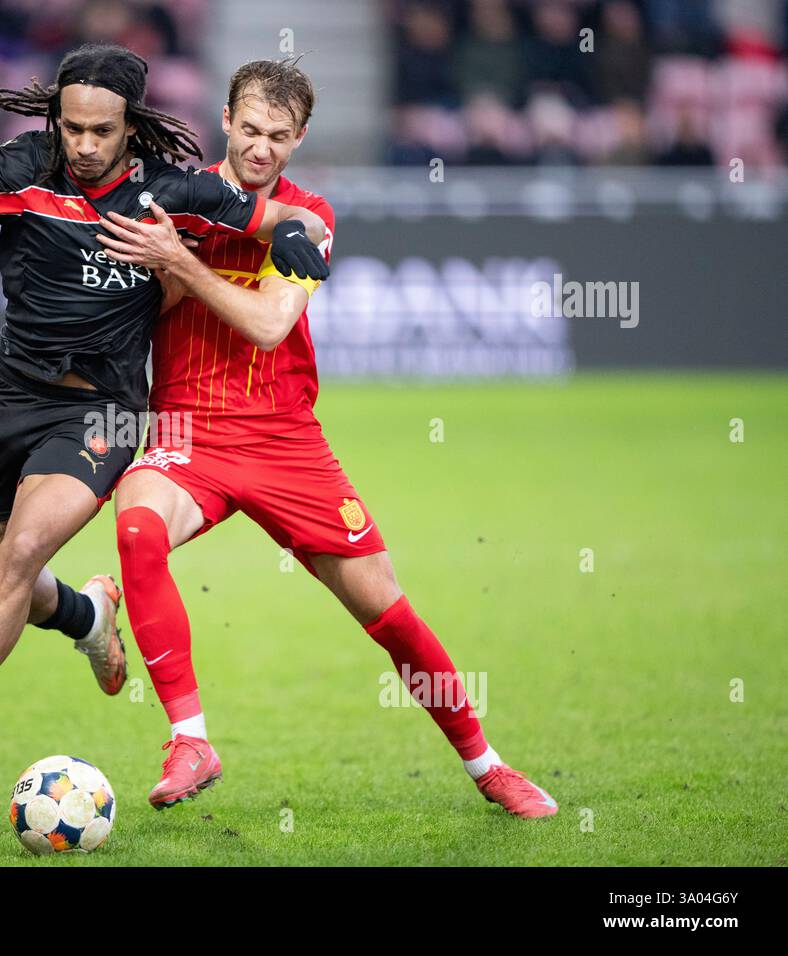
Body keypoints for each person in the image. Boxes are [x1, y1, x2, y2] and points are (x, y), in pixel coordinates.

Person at [0, 43, 331, 795]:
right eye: (72, 128)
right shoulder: (22, 166)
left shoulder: (170, 189)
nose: (83, 145)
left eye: (101, 131)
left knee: (17, 558)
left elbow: (279, 217)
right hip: (12, 398)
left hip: (101, 412)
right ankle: (86, 616)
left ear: (129, 125)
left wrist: (297, 235)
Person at [94, 57, 559, 818]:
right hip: (189, 428)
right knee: (139, 526)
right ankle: (189, 739)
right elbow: (138, 302)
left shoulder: (309, 218)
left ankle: (488, 767)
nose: (260, 149)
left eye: (278, 136)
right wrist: (167, 262)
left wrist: (181, 263)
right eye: (249, 130)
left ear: (300, 137)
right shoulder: (173, 203)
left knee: (390, 614)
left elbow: (271, 324)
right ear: (226, 121)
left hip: (286, 440)